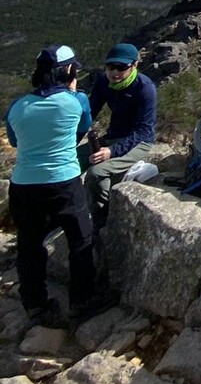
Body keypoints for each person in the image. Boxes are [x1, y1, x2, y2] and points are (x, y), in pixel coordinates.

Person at [4, 45, 103, 326]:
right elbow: (81, 130)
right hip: (63, 182)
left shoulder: (17, 107)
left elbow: (14, 141)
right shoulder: (77, 101)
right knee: (80, 239)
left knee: (29, 243)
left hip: (23, 184)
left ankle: (35, 304)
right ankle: (82, 300)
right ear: (68, 70)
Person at [82, 41, 157, 228]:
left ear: (134, 65)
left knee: (96, 173)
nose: (114, 72)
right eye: (110, 66)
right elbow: (90, 113)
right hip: (113, 135)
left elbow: (143, 130)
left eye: (121, 67)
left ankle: (101, 220)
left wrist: (112, 151)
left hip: (140, 142)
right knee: (70, 161)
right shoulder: (103, 82)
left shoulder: (145, 89)